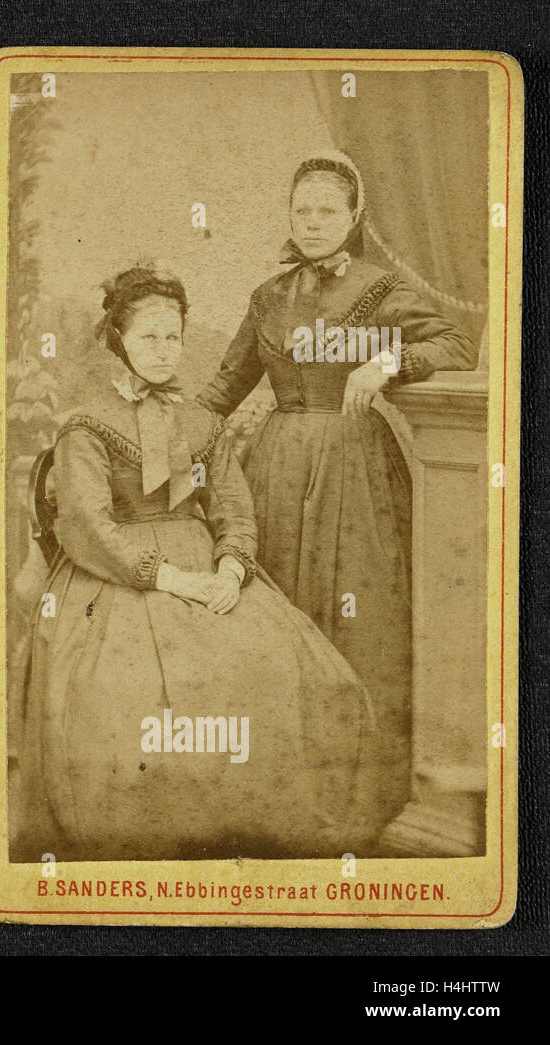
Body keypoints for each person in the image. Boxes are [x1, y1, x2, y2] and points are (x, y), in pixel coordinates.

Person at [10, 266, 384, 862]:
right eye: (148, 338)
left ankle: (251, 826)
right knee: (128, 694)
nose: (163, 351)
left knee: (297, 671)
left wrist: (232, 569)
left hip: (208, 567)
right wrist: (168, 576)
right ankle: (159, 835)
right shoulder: (85, 423)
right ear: (119, 340)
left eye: (173, 338)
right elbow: (86, 523)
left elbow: (233, 506)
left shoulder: (202, 420)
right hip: (116, 572)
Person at [196, 151, 478, 827]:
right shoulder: (269, 296)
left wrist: (388, 361)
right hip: (275, 471)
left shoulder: (381, 288)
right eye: (303, 209)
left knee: (358, 621)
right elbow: (221, 391)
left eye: (328, 209)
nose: (315, 221)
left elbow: (457, 343)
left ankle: (358, 803)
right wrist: (144, 430)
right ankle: (278, 797)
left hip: (356, 473)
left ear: (354, 217)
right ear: (290, 215)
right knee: (278, 621)